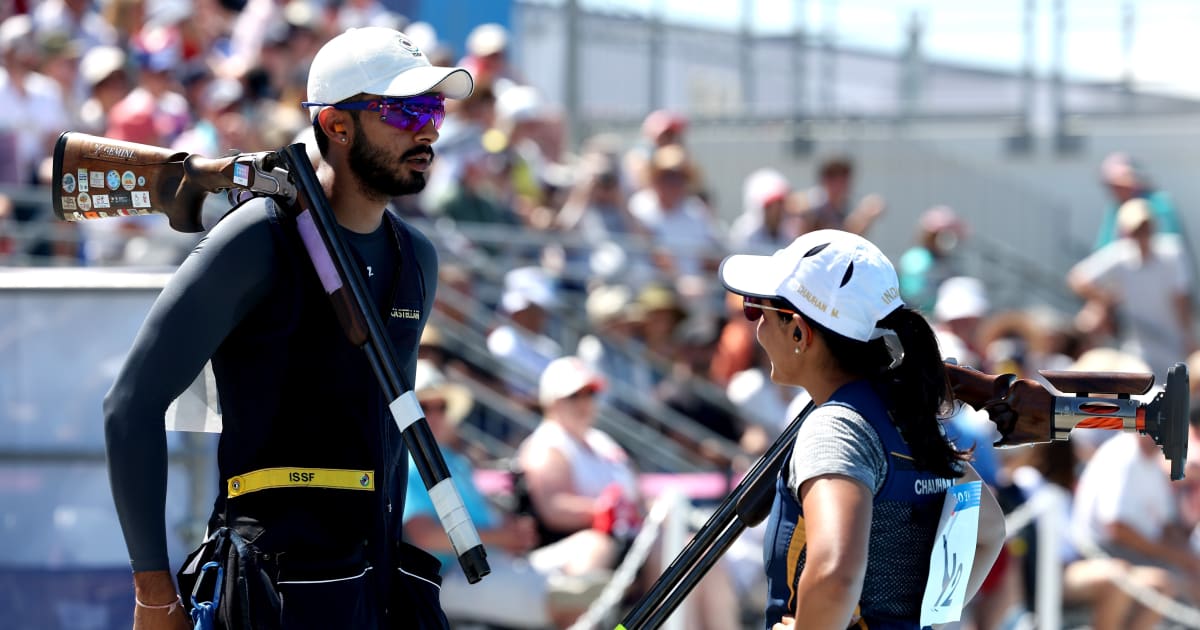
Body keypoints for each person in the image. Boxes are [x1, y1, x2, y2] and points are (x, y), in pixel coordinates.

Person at [102, 26, 473, 629]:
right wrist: (154, 594)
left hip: (371, 587)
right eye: (404, 109)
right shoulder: (256, 238)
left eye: (432, 107)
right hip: (271, 597)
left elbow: (383, 437)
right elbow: (130, 406)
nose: (428, 127)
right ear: (336, 125)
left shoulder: (418, 258)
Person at [717, 229, 1006, 628]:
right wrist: (925, 619)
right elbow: (988, 529)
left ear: (799, 332)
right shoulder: (902, 414)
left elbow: (835, 574)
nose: (756, 328)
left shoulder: (835, 427)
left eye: (757, 311)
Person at [402, 360, 608, 629]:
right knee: (576, 600)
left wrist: (509, 534)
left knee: (592, 550)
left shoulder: (453, 460)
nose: (437, 414)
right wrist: (501, 536)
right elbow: (423, 536)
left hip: (485, 566)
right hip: (449, 576)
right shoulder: (406, 463)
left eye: (442, 406)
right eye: (425, 406)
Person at [1069, 198, 1197, 377]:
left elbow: (1181, 298)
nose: (1142, 235)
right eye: (1137, 230)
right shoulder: (1120, 254)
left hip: (1172, 343)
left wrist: (1188, 338)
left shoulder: (1171, 252)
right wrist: (1107, 301)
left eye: (1145, 228)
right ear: (1126, 231)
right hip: (1139, 346)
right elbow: (1078, 279)